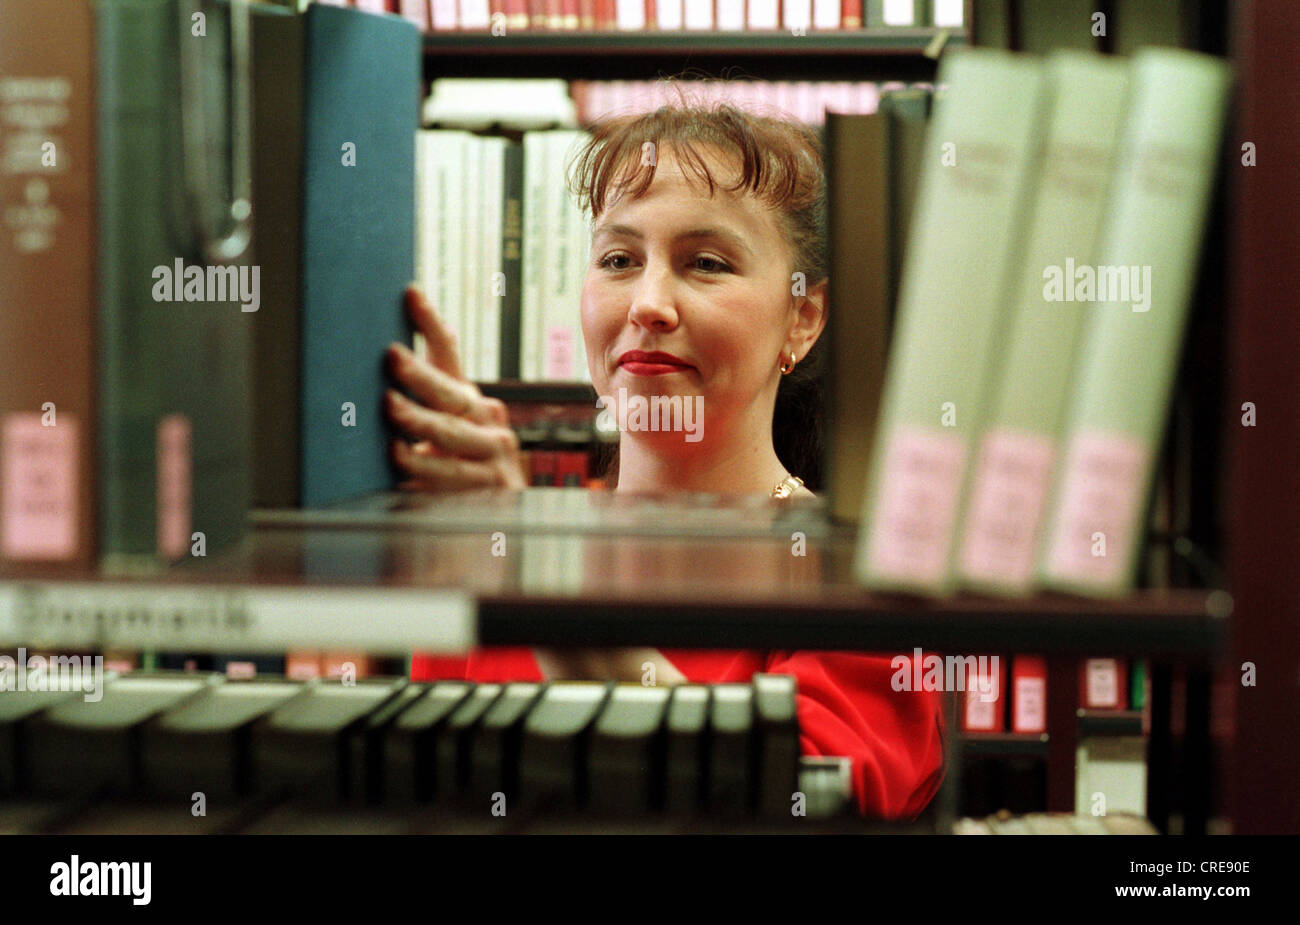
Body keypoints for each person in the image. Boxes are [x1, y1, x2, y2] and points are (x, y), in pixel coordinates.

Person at [384, 97, 944, 821]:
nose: (648, 303)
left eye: (705, 263)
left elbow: (801, 804)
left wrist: (545, 599)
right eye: (619, 259)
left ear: (802, 317)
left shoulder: (867, 578)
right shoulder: (493, 541)